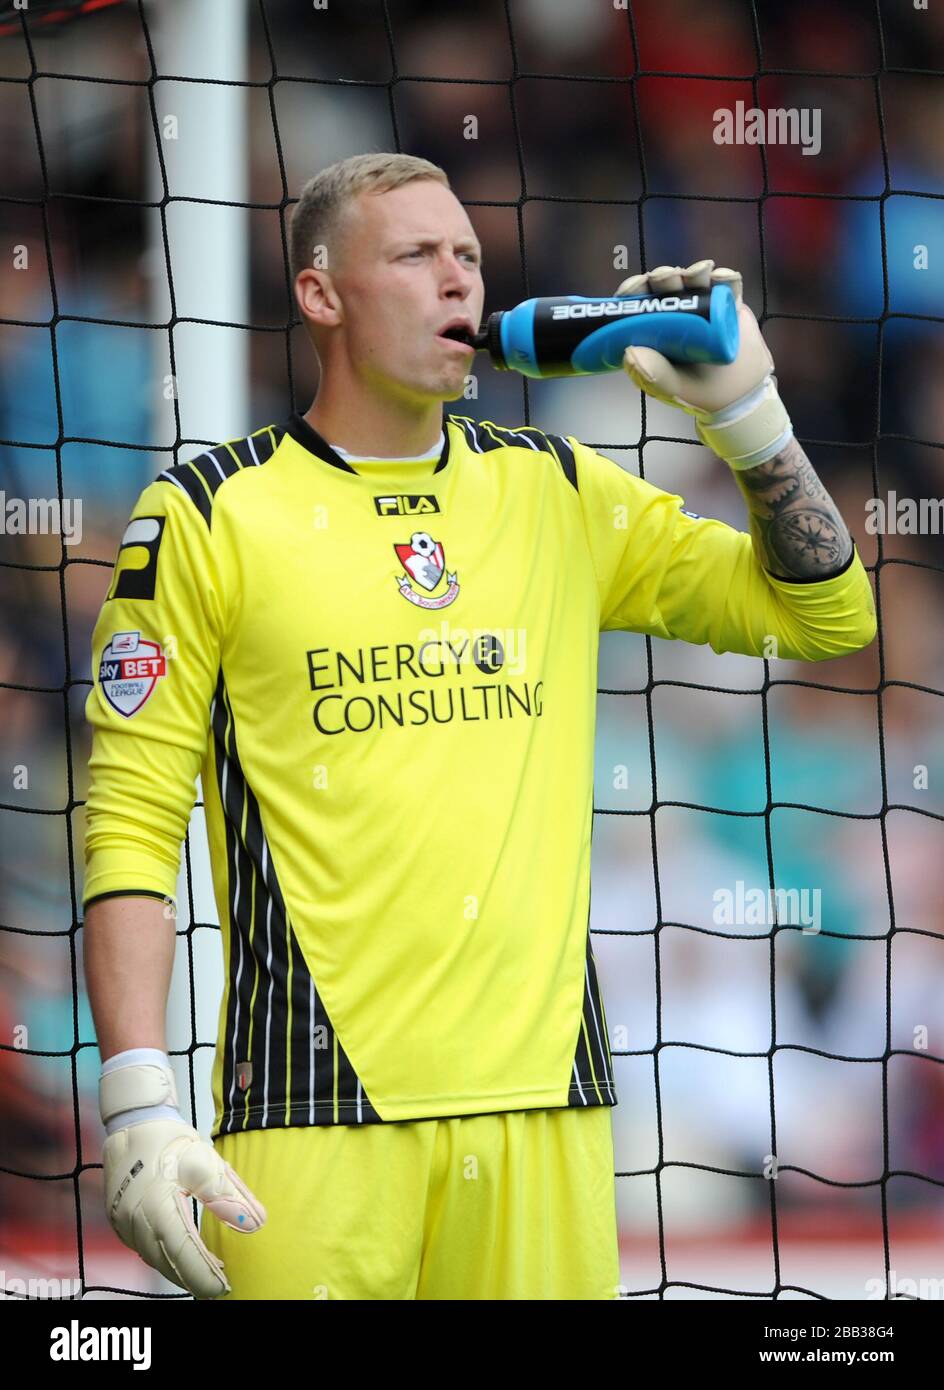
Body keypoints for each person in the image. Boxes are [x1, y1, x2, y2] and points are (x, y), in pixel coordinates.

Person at [82, 151, 876, 1301]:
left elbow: (826, 615)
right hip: (313, 1112)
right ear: (320, 294)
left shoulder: (558, 490)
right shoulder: (208, 516)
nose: (457, 281)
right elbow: (130, 828)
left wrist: (746, 417)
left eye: (468, 256)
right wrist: (138, 1098)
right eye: (413, 255)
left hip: (547, 1114)